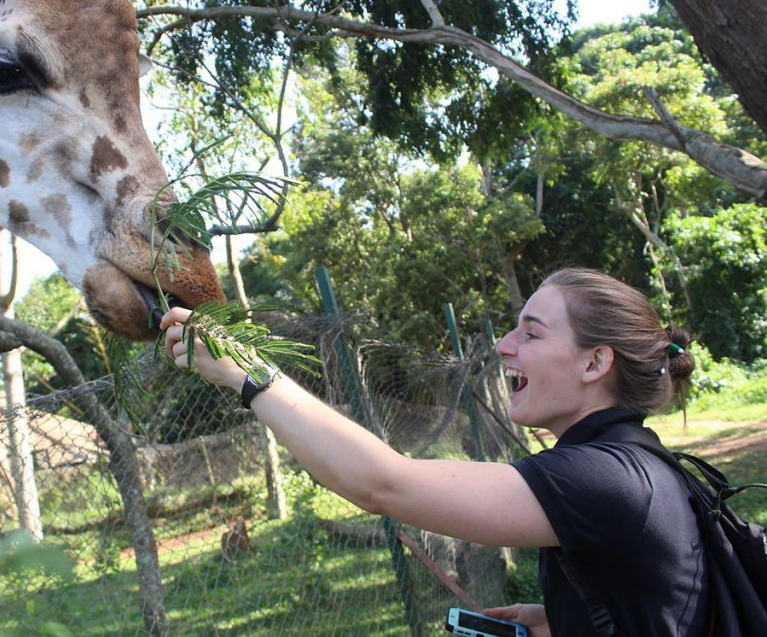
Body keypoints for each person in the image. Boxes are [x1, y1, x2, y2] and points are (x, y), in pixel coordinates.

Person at [160, 267, 707, 636]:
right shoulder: (637, 458)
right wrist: (566, 620)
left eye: (532, 334)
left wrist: (247, 374)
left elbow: (384, 484)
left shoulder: (602, 477)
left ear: (594, 364)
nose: (503, 346)